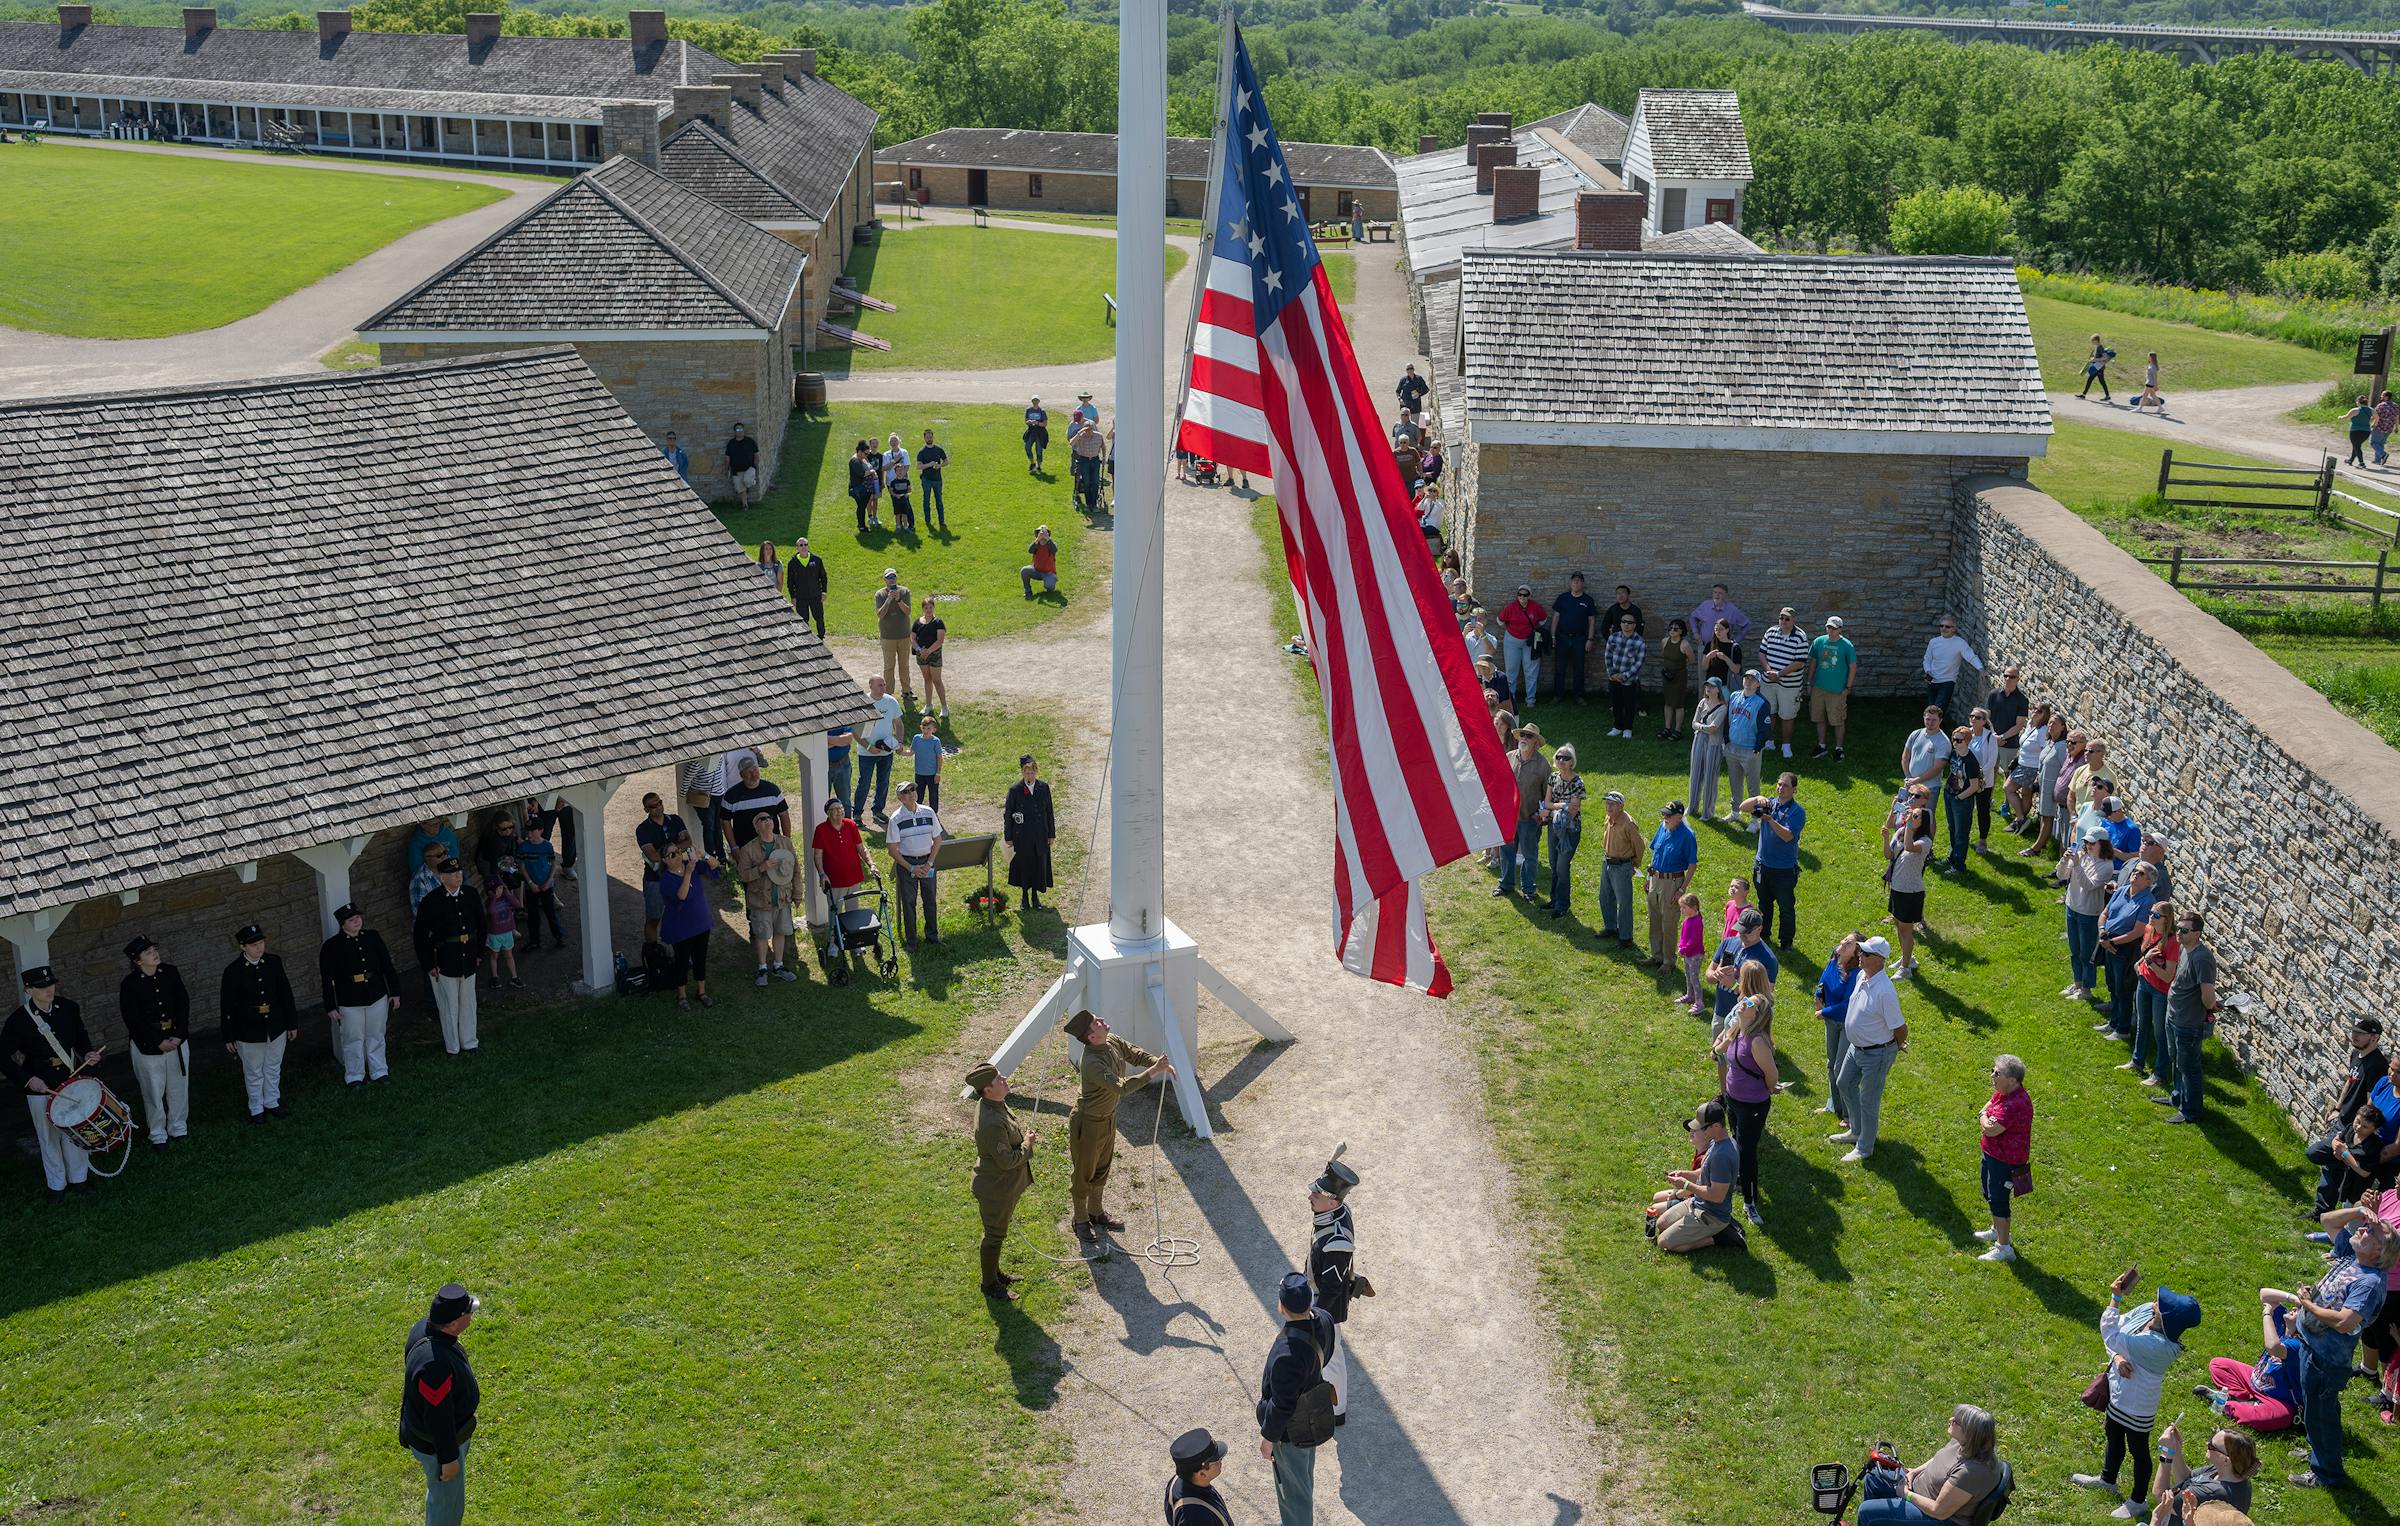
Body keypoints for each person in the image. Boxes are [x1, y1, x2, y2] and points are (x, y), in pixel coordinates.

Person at [2272, 1212, 2394, 1488]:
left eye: (2371, 1231)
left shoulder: (2369, 1282)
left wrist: (2308, 1304)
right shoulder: (2355, 1257)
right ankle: (2320, 1454)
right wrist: (2360, 1210)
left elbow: (2344, 1322)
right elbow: (2327, 1220)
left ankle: (2327, 1474)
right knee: (2316, 1410)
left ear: (2379, 1250)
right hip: (2312, 1348)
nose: (2362, 1229)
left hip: (2326, 1360)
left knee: (2321, 1415)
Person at [2073, 1267, 2198, 1516]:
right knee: (2113, 1434)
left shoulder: (2157, 1346)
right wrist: (2118, 1357)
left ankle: (2138, 1501)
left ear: (2167, 1319)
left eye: (2162, 1304)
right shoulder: (2145, 1312)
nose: (2155, 1302)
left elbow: (2110, 1333)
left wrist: (2115, 1299)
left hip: (2138, 1405)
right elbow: (2115, 1336)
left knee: (2138, 1450)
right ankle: (2107, 1480)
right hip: (2119, 1395)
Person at [1063, 1009, 1172, 1244]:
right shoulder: (1091, 1061)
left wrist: (1155, 1061)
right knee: (1084, 1174)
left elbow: (1133, 1053)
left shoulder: (1110, 1040)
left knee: (1102, 1167)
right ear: (1091, 1036)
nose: (1102, 1020)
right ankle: (1081, 1219)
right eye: (1096, 1022)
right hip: (1089, 1122)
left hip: (1107, 1118)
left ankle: (1096, 1212)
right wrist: (1155, 1071)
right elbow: (1121, 1087)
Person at [4, 967, 103, 1198]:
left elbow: (81, 1037)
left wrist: (87, 1053)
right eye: (41, 986)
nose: (49, 989)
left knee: (74, 1132)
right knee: (48, 1137)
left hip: (69, 1080)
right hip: (40, 1086)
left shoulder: (68, 1008)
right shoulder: (19, 1020)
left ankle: (79, 1180)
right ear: (28, 990)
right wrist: (27, 1080)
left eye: (51, 984)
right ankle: (56, 1185)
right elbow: (2, 1056)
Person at [1258, 1270, 1338, 1522]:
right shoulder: (1324, 1319)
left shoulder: (1286, 1354)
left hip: (1290, 1431)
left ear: (1281, 1306)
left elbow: (1282, 1405)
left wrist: (1268, 1438)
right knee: (1302, 1478)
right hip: (1313, 1412)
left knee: (1294, 1492)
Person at [399, 1282, 481, 1526]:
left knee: (440, 1496)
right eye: (468, 1313)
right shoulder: (435, 1367)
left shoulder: (422, 1329)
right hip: (439, 1447)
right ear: (454, 1324)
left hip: (431, 1438)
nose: (471, 1317)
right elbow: (438, 1418)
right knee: (447, 1507)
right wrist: (448, 1459)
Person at [1853, 1404, 2001, 1523]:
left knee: (1866, 1512)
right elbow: (1939, 1458)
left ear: (1969, 1433)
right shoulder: (1965, 1443)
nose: (1950, 1419)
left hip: (1939, 1518)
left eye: (1955, 1421)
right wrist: (1914, 1472)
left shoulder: (1971, 1473)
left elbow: (1939, 1511)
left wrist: (1906, 1494)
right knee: (1874, 1477)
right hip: (1918, 1489)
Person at [1712, 969, 1779, 1225]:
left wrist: (1771, 1087)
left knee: (1747, 1150)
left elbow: (1771, 1075)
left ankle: (1750, 1203)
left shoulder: (1758, 1041)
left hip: (1753, 1103)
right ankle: (1737, 1181)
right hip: (1733, 1099)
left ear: (1758, 1014)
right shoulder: (1739, 1029)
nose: (1743, 1004)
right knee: (1737, 1143)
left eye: (1748, 1004)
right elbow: (1719, 1050)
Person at [1832, 937, 1905, 1162]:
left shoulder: (1885, 991)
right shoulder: (1862, 976)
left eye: (1866, 953)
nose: (1860, 955)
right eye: (1861, 951)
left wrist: (1898, 1044)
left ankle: (1865, 1147)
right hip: (1857, 1048)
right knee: (1843, 1082)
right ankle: (1857, 1130)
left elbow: (1900, 1027)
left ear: (1880, 960)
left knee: (1869, 1100)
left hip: (1876, 1053)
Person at [117, 936, 192, 1147]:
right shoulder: (130, 985)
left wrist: (179, 1035)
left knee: (178, 1085)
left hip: (176, 1038)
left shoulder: (170, 972)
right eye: (148, 952)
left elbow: (183, 1005)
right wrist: (157, 1042)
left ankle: (178, 1126)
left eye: (154, 949)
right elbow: (133, 1020)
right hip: (148, 1046)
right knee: (153, 1089)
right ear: (138, 961)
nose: (155, 954)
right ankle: (158, 1132)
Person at [2309, 1017, 2391, 1212]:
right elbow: (2350, 1080)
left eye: (2360, 1034)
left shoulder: (2378, 1065)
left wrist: (2356, 1130)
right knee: (2330, 1165)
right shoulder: (2356, 1053)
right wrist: (2338, 1108)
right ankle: (2322, 1210)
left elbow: (2371, 1102)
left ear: (2374, 1037)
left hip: (2353, 1127)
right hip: (2343, 1120)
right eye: (2353, 1031)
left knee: (2315, 1154)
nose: (2354, 1036)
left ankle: (2328, 1207)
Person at [1306, 1155, 1365, 1423]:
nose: (1310, 1197)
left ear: (1331, 1201)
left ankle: (1337, 1409)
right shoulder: (1334, 1211)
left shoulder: (1337, 1239)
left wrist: (1318, 1318)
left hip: (1327, 1304)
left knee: (1331, 1356)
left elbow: (1331, 1287)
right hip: (1320, 1295)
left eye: (1316, 1195)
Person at [966, 1061, 1033, 1299]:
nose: (1004, 1079)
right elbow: (1007, 1161)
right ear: (987, 1090)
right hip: (996, 1187)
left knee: (996, 1232)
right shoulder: (992, 1122)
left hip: (1000, 1184)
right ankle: (990, 1285)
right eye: (998, 1080)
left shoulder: (993, 1104)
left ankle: (995, 1274)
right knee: (994, 1236)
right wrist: (1027, 1144)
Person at [220, 924, 299, 1122]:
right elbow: (227, 1006)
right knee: (254, 1070)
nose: (259, 948)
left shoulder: (273, 962)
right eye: (254, 945)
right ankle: (256, 1107)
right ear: (243, 947)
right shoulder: (233, 971)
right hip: (248, 1027)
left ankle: (272, 1101)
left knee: (273, 1065)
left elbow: (285, 995)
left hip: (275, 1024)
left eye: (261, 943)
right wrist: (228, 1035)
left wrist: (291, 1023)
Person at [319, 905, 398, 1088]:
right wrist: (330, 1005)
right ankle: (354, 1075)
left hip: (376, 993)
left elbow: (387, 965)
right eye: (351, 919)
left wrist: (395, 992)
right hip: (350, 998)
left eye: (358, 917)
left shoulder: (372, 937)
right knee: (353, 1038)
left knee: (376, 1034)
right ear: (342, 924)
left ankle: (379, 1071)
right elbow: (327, 979)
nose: (356, 921)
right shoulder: (332, 946)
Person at [2198, 1297, 2302, 1434]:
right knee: (2218, 1365)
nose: (2294, 1308)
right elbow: (2265, 1295)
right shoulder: (2283, 1323)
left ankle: (2226, 1404)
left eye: (2300, 1310)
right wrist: (2294, 1298)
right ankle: (2242, 1399)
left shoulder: (2299, 1346)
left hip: (2277, 1399)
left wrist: (2267, 1315)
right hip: (2255, 1380)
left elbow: (2273, 1347)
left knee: (2281, 1417)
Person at [413, 860, 484, 1055]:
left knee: (468, 1003)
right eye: (453, 873)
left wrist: (479, 953)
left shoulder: (470, 894)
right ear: (441, 877)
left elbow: (481, 924)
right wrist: (428, 964)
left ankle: (469, 1042)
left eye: (459, 872)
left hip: (468, 957)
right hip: (444, 960)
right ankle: (453, 1046)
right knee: (449, 1006)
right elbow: (420, 935)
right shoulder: (431, 901)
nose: (458, 876)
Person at [1654, 1099, 1743, 1253]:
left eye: (1702, 1128)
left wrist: (1687, 1186)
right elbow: (1704, 1172)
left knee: (1663, 1243)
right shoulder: (1716, 1142)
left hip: (1712, 1215)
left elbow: (1717, 1196)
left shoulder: (1722, 1156)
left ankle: (1718, 1237)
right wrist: (1685, 1174)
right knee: (1661, 1224)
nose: (1699, 1131)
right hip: (1697, 1203)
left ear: (1716, 1126)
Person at [2159, 909, 2219, 1125]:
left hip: (2188, 1023)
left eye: (2184, 930)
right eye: (2178, 929)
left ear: (2197, 933)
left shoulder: (2203, 959)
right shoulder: (2185, 949)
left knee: (2189, 1067)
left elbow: (2208, 995)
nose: (2179, 934)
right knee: (2176, 1060)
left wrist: (2211, 1006)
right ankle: (2177, 1097)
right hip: (2173, 1016)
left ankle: (2191, 1111)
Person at [1974, 1054, 2032, 1263]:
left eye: (1997, 1073)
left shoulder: (2015, 1103)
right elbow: (1990, 1103)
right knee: (1989, 1192)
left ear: (2013, 1080)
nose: (1992, 1075)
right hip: (1992, 1154)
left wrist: (1982, 1115)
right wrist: (1986, 1113)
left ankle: (2004, 1247)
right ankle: (1997, 1229)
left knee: (1998, 1200)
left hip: (2005, 1160)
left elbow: (1990, 1129)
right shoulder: (2004, 1092)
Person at [734, 814, 800, 987]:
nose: (767, 820)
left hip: (782, 898)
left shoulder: (785, 842)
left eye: (769, 818)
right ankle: (762, 968)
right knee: (762, 934)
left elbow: (796, 869)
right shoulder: (748, 849)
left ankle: (778, 965)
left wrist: (798, 894)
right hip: (760, 900)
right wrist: (761, 868)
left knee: (780, 931)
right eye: (762, 819)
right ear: (756, 827)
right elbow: (743, 875)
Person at [1742, 772, 1806, 951]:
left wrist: (1770, 820)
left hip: (1784, 870)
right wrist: (1758, 797)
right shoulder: (1769, 803)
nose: (1780, 788)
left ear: (1794, 789)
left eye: (1785, 785)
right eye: (1779, 784)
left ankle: (1786, 942)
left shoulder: (1797, 812)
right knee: (1764, 904)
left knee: (1786, 908)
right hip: (1762, 866)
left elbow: (1787, 836)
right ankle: (1764, 934)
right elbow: (1742, 807)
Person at [2098, 861, 2159, 1045]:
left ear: (2148, 881)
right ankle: (2114, 1021)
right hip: (2108, 940)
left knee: (2123, 988)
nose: (2135, 874)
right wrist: (2102, 931)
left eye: (2140, 873)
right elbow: (2105, 913)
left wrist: (2111, 942)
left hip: (2125, 947)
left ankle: (2123, 1029)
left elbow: (2138, 931)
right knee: (2112, 984)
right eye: (2135, 871)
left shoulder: (2148, 901)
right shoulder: (2122, 890)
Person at [658, 839, 721, 1010]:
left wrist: (704, 855)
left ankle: (701, 992)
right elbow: (681, 896)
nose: (677, 856)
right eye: (672, 854)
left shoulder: (689, 864)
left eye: (678, 852)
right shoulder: (666, 880)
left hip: (700, 923)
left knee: (700, 957)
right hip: (681, 927)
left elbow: (715, 867)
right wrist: (687, 874)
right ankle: (682, 995)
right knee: (682, 961)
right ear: (664, 860)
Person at [2127, 901, 2181, 1094]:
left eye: (2156, 915)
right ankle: (2137, 1061)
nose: (2151, 917)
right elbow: (2147, 951)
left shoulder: (2173, 941)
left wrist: (2150, 963)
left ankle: (2160, 1074)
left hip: (2160, 991)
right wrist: (2140, 963)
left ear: (2167, 919)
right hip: (2144, 983)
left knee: (2160, 1032)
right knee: (2142, 1024)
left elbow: (2168, 975)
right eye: (2151, 913)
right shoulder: (2150, 929)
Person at [1495, 723, 1551, 900]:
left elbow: (1548, 794)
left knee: (1529, 856)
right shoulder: (1509, 757)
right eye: (1523, 735)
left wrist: (1541, 815)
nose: (1524, 739)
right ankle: (1506, 885)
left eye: (1529, 736)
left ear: (1536, 742)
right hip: (1509, 817)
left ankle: (1528, 889)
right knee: (1506, 853)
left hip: (1530, 818)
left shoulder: (1543, 765)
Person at [886, 780, 944, 950]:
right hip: (907, 865)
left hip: (927, 861)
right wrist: (911, 867)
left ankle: (932, 937)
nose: (911, 793)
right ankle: (912, 942)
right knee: (909, 903)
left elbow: (938, 839)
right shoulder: (896, 818)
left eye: (913, 789)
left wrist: (929, 863)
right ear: (900, 798)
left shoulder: (928, 811)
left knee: (930, 900)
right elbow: (892, 850)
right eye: (906, 792)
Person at [1643, 800, 1698, 970]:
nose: (1665, 817)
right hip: (1655, 879)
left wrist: (1682, 889)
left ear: (1679, 817)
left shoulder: (1688, 836)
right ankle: (1656, 955)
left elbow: (1692, 864)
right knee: (1654, 919)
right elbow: (1655, 853)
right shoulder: (1663, 827)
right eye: (1664, 814)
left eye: (1669, 815)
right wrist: (1648, 876)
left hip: (1672, 883)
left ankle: (1668, 961)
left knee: (1669, 923)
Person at [1885, 791, 1934, 978]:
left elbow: (1908, 847)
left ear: (1923, 823)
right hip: (1897, 887)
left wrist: (1909, 828)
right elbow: (1891, 853)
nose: (1912, 816)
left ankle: (1905, 969)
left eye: (1916, 816)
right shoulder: (1902, 832)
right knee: (1899, 925)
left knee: (1906, 930)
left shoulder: (1925, 841)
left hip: (1911, 891)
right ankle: (1908, 959)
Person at [1814, 935, 1862, 1121]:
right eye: (1844, 940)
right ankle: (1833, 1105)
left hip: (1845, 1022)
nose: (1842, 943)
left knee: (1841, 1068)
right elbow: (1824, 978)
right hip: (1831, 1020)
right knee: (1831, 1064)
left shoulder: (1856, 973)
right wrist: (1818, 995)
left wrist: (1824, 1012)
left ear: (1857, 952)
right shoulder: (1836, 955)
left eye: (1848, 943)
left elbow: (1847, 1004)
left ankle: (1849, 1115)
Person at [635, 792, 690, 947]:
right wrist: (675, 849)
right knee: (654, 918)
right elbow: (652, 856)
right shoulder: (643, 829)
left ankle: (681, 952)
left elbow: (689, 842)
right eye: (653, 806)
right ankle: (653, 953)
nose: (659, 807)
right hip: (655, 880)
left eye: (660, 802)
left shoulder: (676, 820)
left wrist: (665, 851)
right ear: (646, 810)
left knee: (680, 915)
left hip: (678, 877)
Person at [1004, 754, 1056, 912]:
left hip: (1040, 834)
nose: (1030, 776)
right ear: (1022, 773)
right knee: (1024, 866)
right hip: (1023, 836)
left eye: (1032, 772)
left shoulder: (1043, 787)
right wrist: (1009, 837)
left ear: (1036, 772)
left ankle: (1035, 895)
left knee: (1038, 866)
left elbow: (1049, 812)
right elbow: (1008, 814)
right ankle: (1024, 897)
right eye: (1027, 773)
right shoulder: (1015, 790)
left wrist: (1051, 834)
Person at [1540, 743, 1585, 918]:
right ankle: (1554, 899)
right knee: (1553, 864)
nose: (1561, 760)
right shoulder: (1553, 777)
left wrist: (1553, 808)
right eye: (1558, 757)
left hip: (1570, 830)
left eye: (1565, 758)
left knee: (1562, 866)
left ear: (1572, 761)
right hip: (1554, 826)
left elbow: (1574, 809)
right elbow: (1547, 803)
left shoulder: (1577, 782)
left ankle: (1563, 905)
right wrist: (1562, 805)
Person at [1758, 606, 1809, 758]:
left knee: (1787, 715)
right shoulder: (1770, 631)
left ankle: (1786, 746)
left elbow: (1800, 662)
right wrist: (1769, 671)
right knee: (1769, 712)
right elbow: (1762, 653)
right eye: (1781, 618)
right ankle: (1769, 741)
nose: (1783, 621)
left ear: (1794, 620)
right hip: (1768, 681)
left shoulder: (1800, 636)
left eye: (1787, 618)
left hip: (1789, 685)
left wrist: (1779, 674)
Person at [854, 674, 904, 825]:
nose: (884, 687)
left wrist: (899, 743)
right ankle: (856, 814)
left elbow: (899, 724)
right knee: (864, 782)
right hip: (866, 752)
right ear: (871, 686)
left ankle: (878, 811)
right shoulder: (863, 703)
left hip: (886, 752)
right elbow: (854, 731)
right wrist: (869, 747)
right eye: (880, 685)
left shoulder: (891, 702)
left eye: (884, 684)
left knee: (883, 782)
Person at [812, 797, 870, 924]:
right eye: (835, 809)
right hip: (834, 881)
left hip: (854, 877)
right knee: (835, 912)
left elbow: (861, 848)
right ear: (828, 813)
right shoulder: (821, 830)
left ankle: (853, 941)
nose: (839, 811)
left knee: (853, 912)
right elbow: (817, 855)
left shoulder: (851, 825)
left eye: (841, 808)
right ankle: (834, 941)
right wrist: (822, 874)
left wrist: (870, 864)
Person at [1935, 725, 1983, 876]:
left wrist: (1959, 797)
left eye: (1959, 740)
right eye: (1953, 739)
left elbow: (1975, 786)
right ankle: (1952, 857)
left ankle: (1959, 865)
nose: (1955, 743)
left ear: (1967, 741)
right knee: (1952, 829)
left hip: (1962, 800)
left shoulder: (1971, 761)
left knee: (1961, 833)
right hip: (1949, 794)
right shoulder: (1954, 754)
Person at [1595, 790, 1641, 947]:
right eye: (1607, 803)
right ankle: (1611, 927)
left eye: (1612, 804)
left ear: (1621, 806)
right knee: (1605, 896)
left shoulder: (1628, 823)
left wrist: (1634, 864)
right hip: (1607, 861)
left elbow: (1639, 846)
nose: (1608, 807)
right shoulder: (1609, 817)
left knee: (1624, 902)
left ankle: (1626, 937)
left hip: (1622, 865)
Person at [1920, 617, 1984, 725]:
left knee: (1937, 708)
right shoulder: (1933, 642)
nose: (1944, 628)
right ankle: (1933, 729)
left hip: (1947, 681)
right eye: (1942, 626)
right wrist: (1928, 671)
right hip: (1932, 680)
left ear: (1954, 629)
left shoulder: (1959, 643)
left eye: (1947, 626)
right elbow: (1927, 659)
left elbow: (1971, 656)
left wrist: (1981, 669)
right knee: (1932, 708)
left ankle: (1933, 730)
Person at [1548, 572, 1600, 704]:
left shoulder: (1588, 600)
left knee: (1579, 668)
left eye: (1579, 581)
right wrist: (1553, 636)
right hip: (1562, 638)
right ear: (1570, 583)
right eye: (1574, 581)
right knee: (1560, 668)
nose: (1576, 583)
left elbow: (1592, 621)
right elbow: (1555, 617)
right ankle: (1558, 695)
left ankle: (1579, 696)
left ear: (1582, 583)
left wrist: (1590, 639)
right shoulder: (1563, 598)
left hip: (1580, 639)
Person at [1496, 584, 1547, 714]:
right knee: (1511, 671)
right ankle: (1510, 700)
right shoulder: (1511, 607)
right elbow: (1500, 620)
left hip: (1529, 641)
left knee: (1531, 670)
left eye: (1525, 595)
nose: (1522, 597)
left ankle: (1530, 700)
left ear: (1529, 596)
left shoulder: (1535, 607)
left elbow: (1543, 619)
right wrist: (1511, 629)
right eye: (1520, 595)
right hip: (1512, 640)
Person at [1165, 1428, 1232, 1525]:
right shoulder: (1196, 1519)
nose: (1221, 1461)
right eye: (1217, 1460)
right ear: (1202, 1474)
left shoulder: (1176, 1482)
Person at [1724, 670, 1770, 809]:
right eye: (1746, 678)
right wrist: (1726, 739)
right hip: (1732, 747)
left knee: (1753, 786)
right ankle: (1735, 812)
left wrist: (1758, 747)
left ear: (1758, 683)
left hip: (1750, 750)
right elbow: (1728, 719)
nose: (1748, 681)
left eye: (1752, 679)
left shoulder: (1762, 703)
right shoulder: (1734, 696)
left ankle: (1755, 819)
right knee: (1734, 782)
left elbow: (1765, 728)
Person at [1687, 677, 1729, 823]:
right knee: (1695, 773)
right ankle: (1692, 807)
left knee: (1710, 777)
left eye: (1711, 686)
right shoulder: (1702, 702)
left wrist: (1701, 727)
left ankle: (1707, 812)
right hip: (1698, 740)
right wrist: (1703, 728)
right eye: (1707, 686)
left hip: (1714, 744)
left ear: (1718, 689)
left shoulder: (1723, 707)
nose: (1708, 689)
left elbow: (1714, 729)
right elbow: (1694, 723)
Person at [875, 569, 915, 706]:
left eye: (893, 577)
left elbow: (908, 611)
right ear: (884, 580)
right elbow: (880, 614)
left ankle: (906, 691)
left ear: (896, 578)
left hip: (904, 635)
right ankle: (888, 694)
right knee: (889, 667)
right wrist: (889, 599)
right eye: (888, 578)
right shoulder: (880, 594)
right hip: (888, 637)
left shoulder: (904, 592)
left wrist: (898, 599)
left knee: (904, 665)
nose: (891, 580)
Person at [1602, 612, 1646, 737]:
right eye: (1623, 622)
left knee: (1629, 705)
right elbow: (1608, 656)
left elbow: (1638, 662)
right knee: (1616, 703)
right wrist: (1611, 673)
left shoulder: (1639, 641)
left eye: (1629, 622)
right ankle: (1617, 726)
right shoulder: (1613, 637)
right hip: (1613, 677)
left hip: (1629, 680)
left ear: (1634, 625)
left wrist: (1625, 675)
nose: (1626, 624)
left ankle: (1628, 728)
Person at [484, 869, 523, 990]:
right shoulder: (489, 902)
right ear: (490, 891)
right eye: (497, 889)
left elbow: (517, 905)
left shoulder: (506, 898)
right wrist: (494, 897)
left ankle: (514, 977)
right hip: (495, 934)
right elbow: (491, 911)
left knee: (509, 955)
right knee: (494, 956)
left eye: (501, 887)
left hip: (507, 931)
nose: (499, 890)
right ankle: (495, 977)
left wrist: (507, 893)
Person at [912, 596, 950, 721]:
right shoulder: (917, 622)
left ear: (933, 608)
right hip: (921, 654)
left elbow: (940, 640)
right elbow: (912, 638)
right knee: (927, 679)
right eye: (926, 607)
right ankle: (928, 705)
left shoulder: (938, 622)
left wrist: (928, 651)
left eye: (930, 607)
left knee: (937, 680)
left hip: (934, 654)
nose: (928, 609)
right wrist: (919, 650)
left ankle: (944, 707)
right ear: (923, 609)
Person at [1657, 617, 1694, 742]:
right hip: (1667, 676)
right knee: (1667, 702)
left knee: (1678, 703)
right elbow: (1664, 655)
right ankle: (1667, 728)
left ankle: (1677, 730)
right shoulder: (1664, 641)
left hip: (1679, 676)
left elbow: (1691, 659)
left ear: (1681, 631)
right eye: (1671, 628)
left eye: (1676, 628)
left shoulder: (1685, 644)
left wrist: (1679, 666)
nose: (1672, 630)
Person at [788, 536, 828, 637]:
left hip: (815, 595)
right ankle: (806, 638)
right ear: (797, 548)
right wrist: (793, 597)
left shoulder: (817, 560)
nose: (804, 547)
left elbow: (823, 577)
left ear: (808, 546)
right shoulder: (792, 563)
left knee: (819, 617)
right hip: (801, 597)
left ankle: (821, 636)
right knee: (803, 620)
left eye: (805, 544)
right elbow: (790, 582)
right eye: (801, 545)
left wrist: (824, 592)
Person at [907, 711, 947, 812]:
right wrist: (900, 751)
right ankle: (918, 813)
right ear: (921, 727)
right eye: (923, 728)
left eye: (928, 728)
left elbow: (939, 757)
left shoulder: (935, 741)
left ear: (934, 729)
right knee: (918, 795)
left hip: (932, 774)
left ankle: (933, 814)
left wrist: (938, 773)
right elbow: (911, 752)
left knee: (933, 795)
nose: (925, 730)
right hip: (919, 773)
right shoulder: (916, 738)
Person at [914, 429, 949, 532]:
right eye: (927, 437)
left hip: (938, 480)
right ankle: (927, 520)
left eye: (930, 437)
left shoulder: (939, 449)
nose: (929, 439)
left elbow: (946, 461)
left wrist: (940, 465)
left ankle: (941, 521)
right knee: (926, 500)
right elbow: (918, 466)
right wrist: (929, 464)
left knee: (939, 501)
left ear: (933, 437)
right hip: (926, 480)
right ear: (924, 438)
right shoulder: (922, 452)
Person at [1700, 617, 1743, 694]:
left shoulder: (1734, 647)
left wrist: (1725, 658)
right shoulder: (1710, 645)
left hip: (1726, 685)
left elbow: (1736, 670)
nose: (1718, 632)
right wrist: (1708, 657)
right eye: (1716, 629)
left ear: (1727, 630)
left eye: (1721, 629)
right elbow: (1703, 668)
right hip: (1710, 685)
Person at [883, 432, 915, 533]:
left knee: (906, 503)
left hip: (902, 483)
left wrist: (900, 476)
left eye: (895, 440)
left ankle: (910, 524)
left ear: (899, 441)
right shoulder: (886, 454)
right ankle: (899, 525)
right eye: (891, 441)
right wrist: (894, 461)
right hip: (891, 483)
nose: (894, 443)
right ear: (889, 443)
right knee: (896, 503)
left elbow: (907, 466)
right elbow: (884, 468)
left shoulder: (904, 452)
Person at [725, 422, 760, 507]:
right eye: (737, 429)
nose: (739, 431)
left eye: (741, 429)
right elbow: (727, 457)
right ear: (735, 431)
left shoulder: (750, 441)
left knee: (747, 481)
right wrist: (727, 469)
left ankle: (752, 481)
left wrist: (754, 466)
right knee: (740, 489)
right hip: (736, 471)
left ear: (744, 430)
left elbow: (756, 454)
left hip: (749, 468)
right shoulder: (731, 443)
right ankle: (745, 505)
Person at [1021, 525, 1061, 600]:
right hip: (1036, 571)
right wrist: (1037, 539)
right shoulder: (1036, 544)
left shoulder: (1052, 544)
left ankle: (1049, 589)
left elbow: (1054, 549)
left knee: (1050, 586)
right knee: (1024, 571)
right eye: (1040, 533)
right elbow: (1030, 550)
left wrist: (1048, 539)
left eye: (1045, 533)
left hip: (1049, 573)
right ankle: (1028, 591)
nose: (1042, 535)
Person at [2082, 334, 2114, 401]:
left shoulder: (2100, 347)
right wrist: (2093, 358)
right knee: (2100, 381)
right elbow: (2100, 356)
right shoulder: (2098, 347)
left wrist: (2095, 360)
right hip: (2098, 367)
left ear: (2096, 340)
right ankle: (2107, 396)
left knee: (2091, 380)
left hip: (2098, 368)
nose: (2092, 342)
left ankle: (2083, 395)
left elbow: (2105, 357)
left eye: (2093, 341)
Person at [1022, 396, 1049, 471]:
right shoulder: (1028, 410)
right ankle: (1032, 463)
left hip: (1040, 433)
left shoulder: (1042, 411)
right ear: (1032, 401)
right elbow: (1026, 421)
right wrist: (1029, 422)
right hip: (1031, 431)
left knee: (1039, 450)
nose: (1035, 401)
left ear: (1039, 401)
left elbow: (1044, 424)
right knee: (1027, 447)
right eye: (1034, 400)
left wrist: (1037, 423)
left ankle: (1039, 466)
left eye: (1036, 400)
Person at [2347, 394, 2374, 468]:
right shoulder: (2371, 409)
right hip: (2366, 431)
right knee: (2356, 445)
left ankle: (2361, 463)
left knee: (2356, 446)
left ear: (2358, 402)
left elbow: (2346, 417)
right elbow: (2377, 417)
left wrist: (2340, 417)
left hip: (2355, 431)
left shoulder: (2356, 410)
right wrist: (2373, 424)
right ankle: (2351, 460)